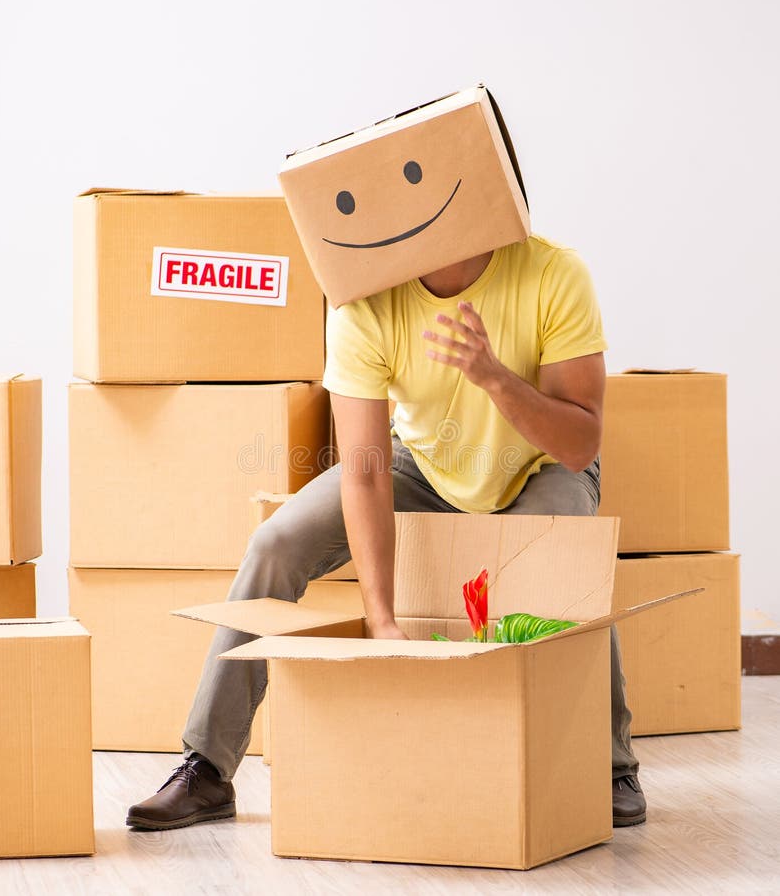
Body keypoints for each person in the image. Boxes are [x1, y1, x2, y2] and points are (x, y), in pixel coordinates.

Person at [126, 235, 647, 831]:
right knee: (276, 545)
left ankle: (610, 766)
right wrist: (382, 617)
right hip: (422, 462)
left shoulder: (554, 273)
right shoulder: (364, 300)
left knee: (561, 545)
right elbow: (365, 471)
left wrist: (497, 379)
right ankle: (209, 769)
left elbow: (581, 442)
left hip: (539, 463)